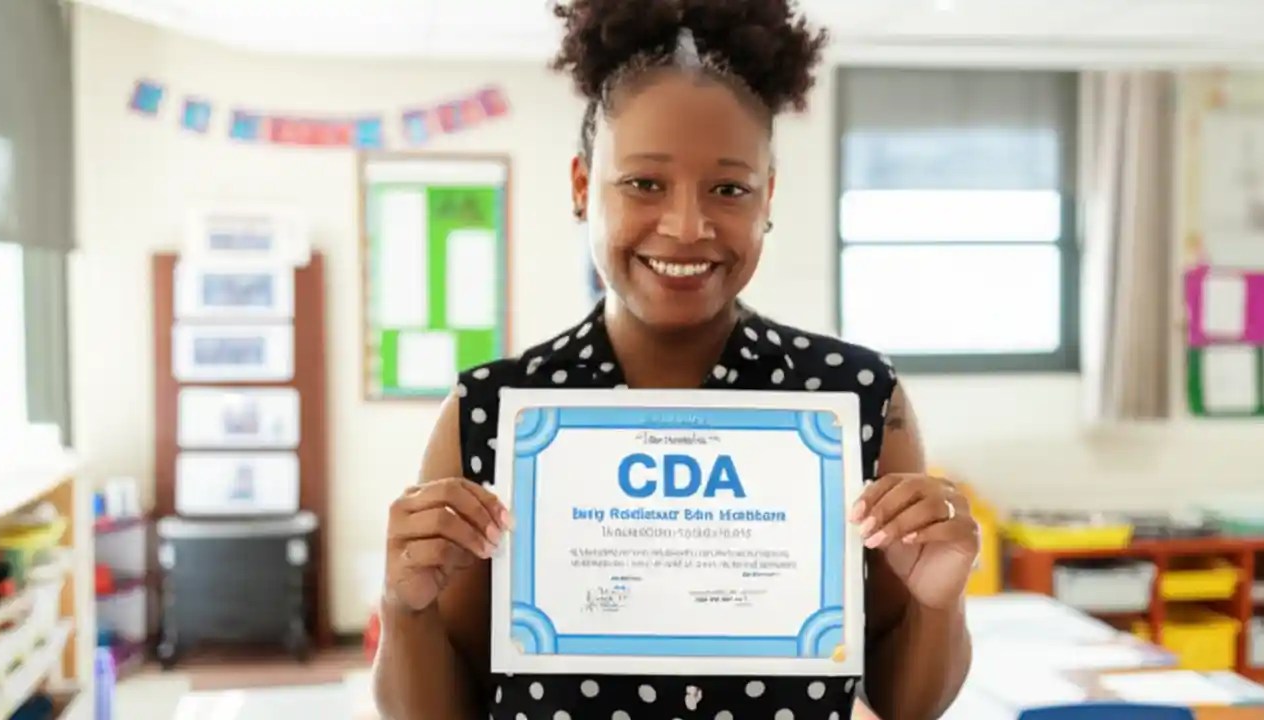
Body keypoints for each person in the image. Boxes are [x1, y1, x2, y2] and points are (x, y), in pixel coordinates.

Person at [373, 1, 979, 718]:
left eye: (729, 189)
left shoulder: (859, 400)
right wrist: (402, 607)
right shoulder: (492, 412)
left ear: (767, 199)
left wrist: (940, 601)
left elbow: (903, 705)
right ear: (580, 187)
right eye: (644, 183)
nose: (687, 225)